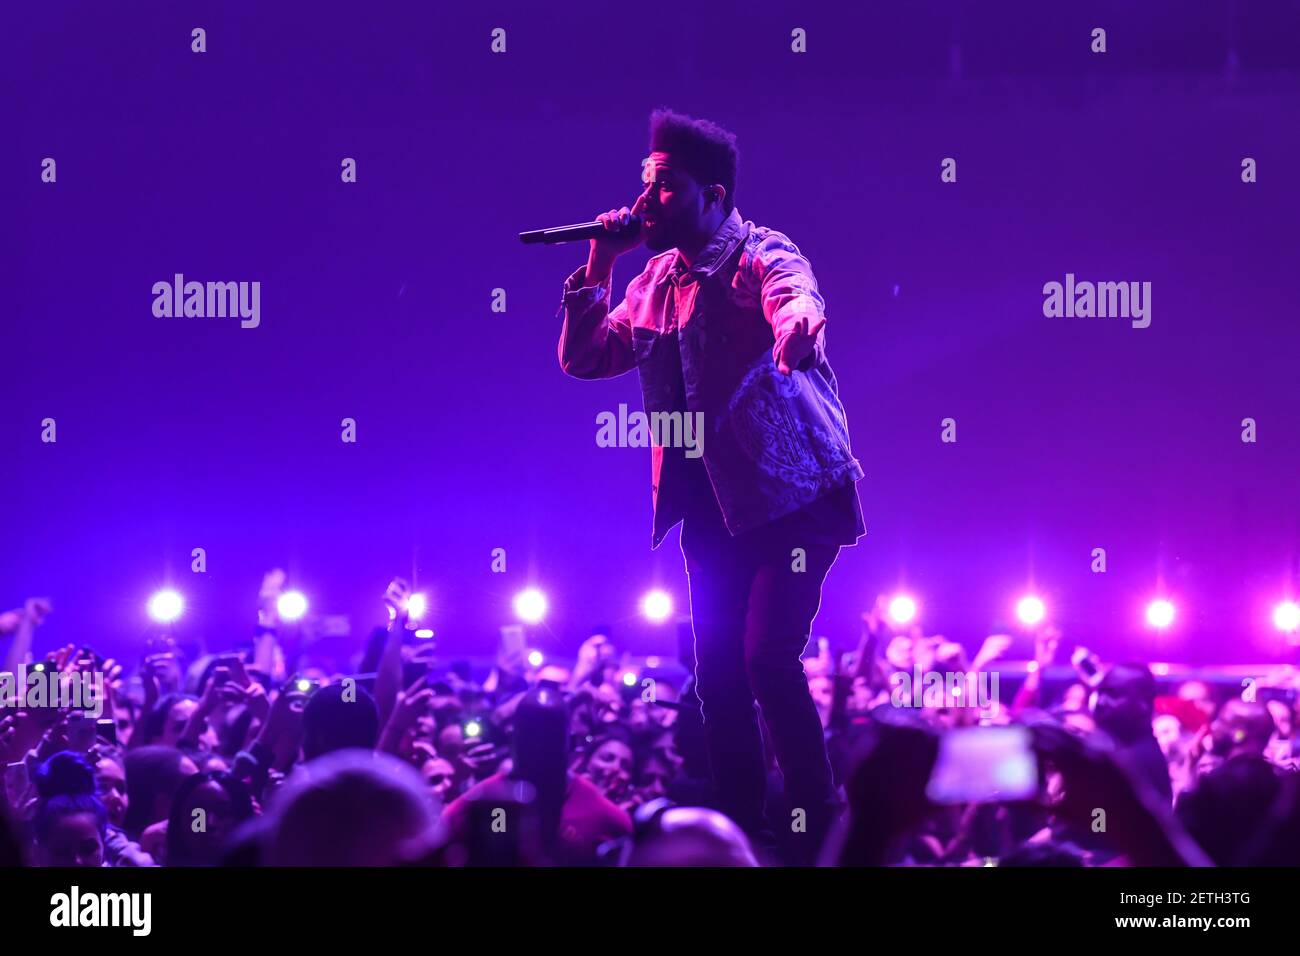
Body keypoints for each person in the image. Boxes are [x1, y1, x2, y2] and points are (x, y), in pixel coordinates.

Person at [555, 107, 864, 858]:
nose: (646, 199)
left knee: (767, 657)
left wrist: (796, 326)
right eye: (644, 183)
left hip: (793, 500)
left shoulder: (761, 251)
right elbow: (587, 357)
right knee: (716, 675)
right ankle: (738, 838)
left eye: (666, 186)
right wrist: (600, 264)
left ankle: (816, 828)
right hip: (711, 507)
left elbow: (794, 293)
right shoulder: (655, 280)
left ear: (714, 196)